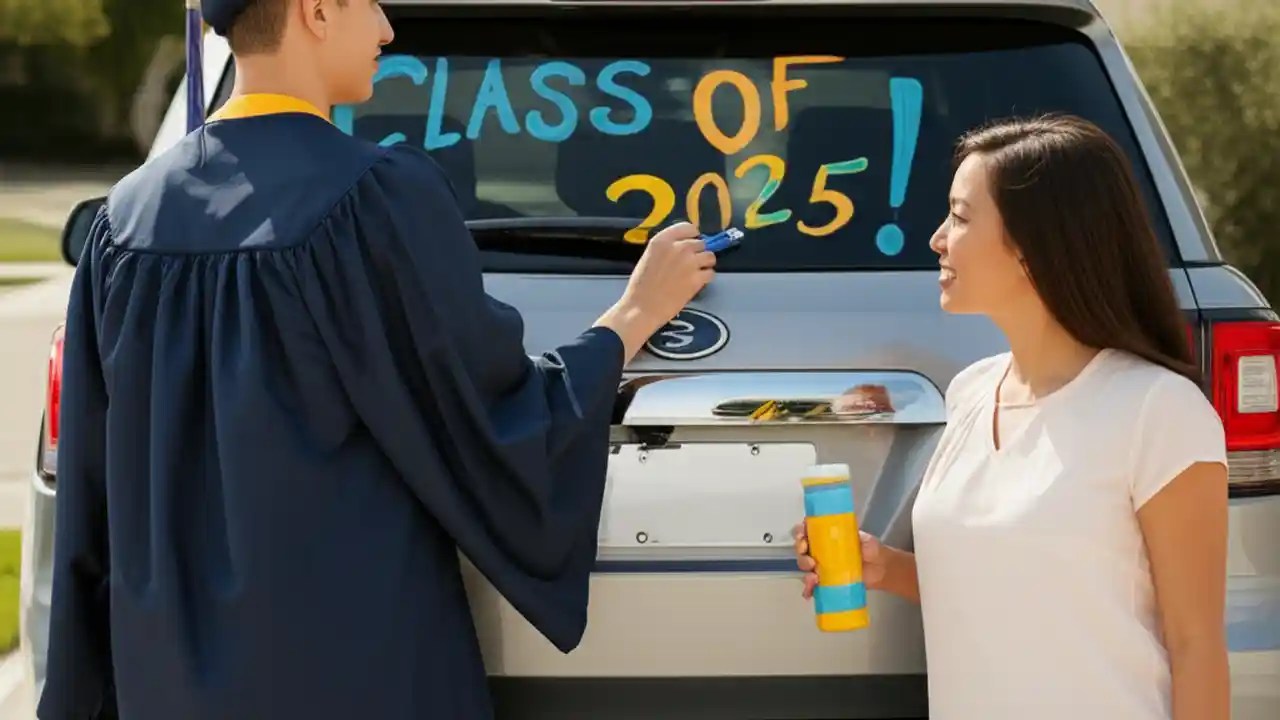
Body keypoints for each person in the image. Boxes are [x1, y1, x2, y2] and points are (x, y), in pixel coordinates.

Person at [38, 1, 716, 719]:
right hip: (352, 670)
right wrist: (631, 316)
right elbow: (492, 413)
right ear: (318, 11)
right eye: (370, 3)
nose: (388, 27)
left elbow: (90, 502)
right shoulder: (373, 200)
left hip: (169, 681)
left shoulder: (122, 225)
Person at [793, 114, 1230, 720]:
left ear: (1033, 249)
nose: (937, 238)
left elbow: (1197, 644)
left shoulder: (1159, 411)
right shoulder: (971, 393)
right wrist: (884, 568)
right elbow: (1018, 587)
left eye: (961, 217)